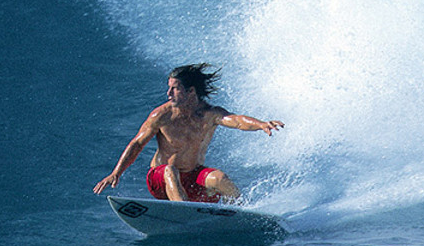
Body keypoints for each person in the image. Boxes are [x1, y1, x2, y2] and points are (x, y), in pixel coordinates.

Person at [92, 63, 283, 203]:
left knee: (220, 179)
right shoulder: (162, 115)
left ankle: (237, 213)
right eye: (169, 88)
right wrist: (116, 173)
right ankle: (182, 211)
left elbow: (237, 120)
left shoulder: (209, 114)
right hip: (160, 180)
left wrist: (261, 124)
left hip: (192, 180)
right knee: (170, 170)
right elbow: (137, 143)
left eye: (175, 89)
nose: (168, 93)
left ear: (191, 91)